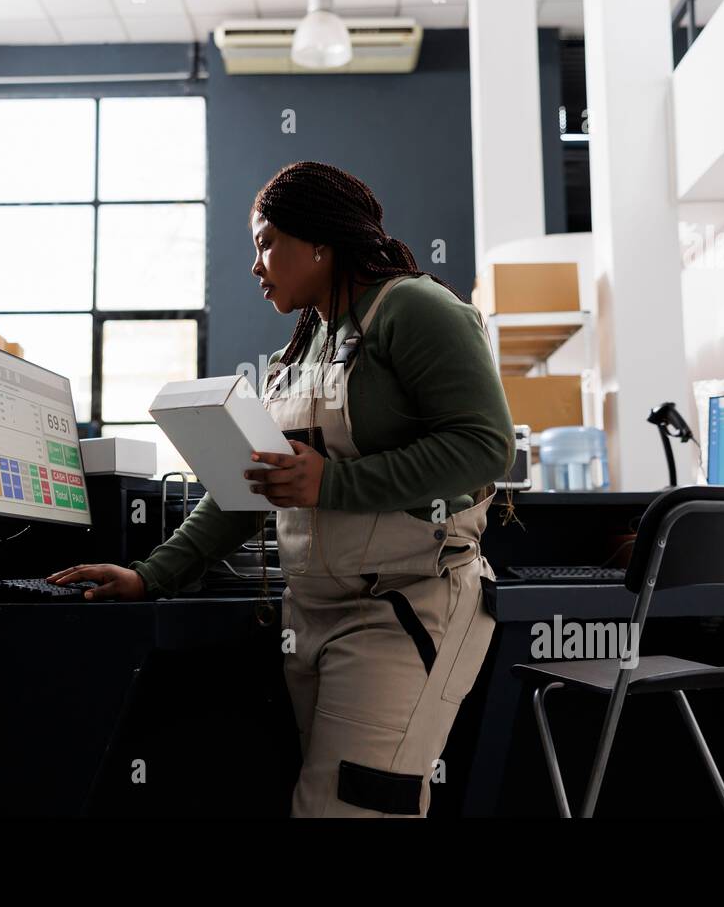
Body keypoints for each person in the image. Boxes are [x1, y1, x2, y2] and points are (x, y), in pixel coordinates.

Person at [49, 160, 514, 817]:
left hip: (405, 609)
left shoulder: (417, 309)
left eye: (266, 241)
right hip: (313, 619)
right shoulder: (300, 351)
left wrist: (334, 481)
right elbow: (250, 486)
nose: (255, 263)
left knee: (348, 810)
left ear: (320, 240)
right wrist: (150, 576)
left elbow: (485, 448)